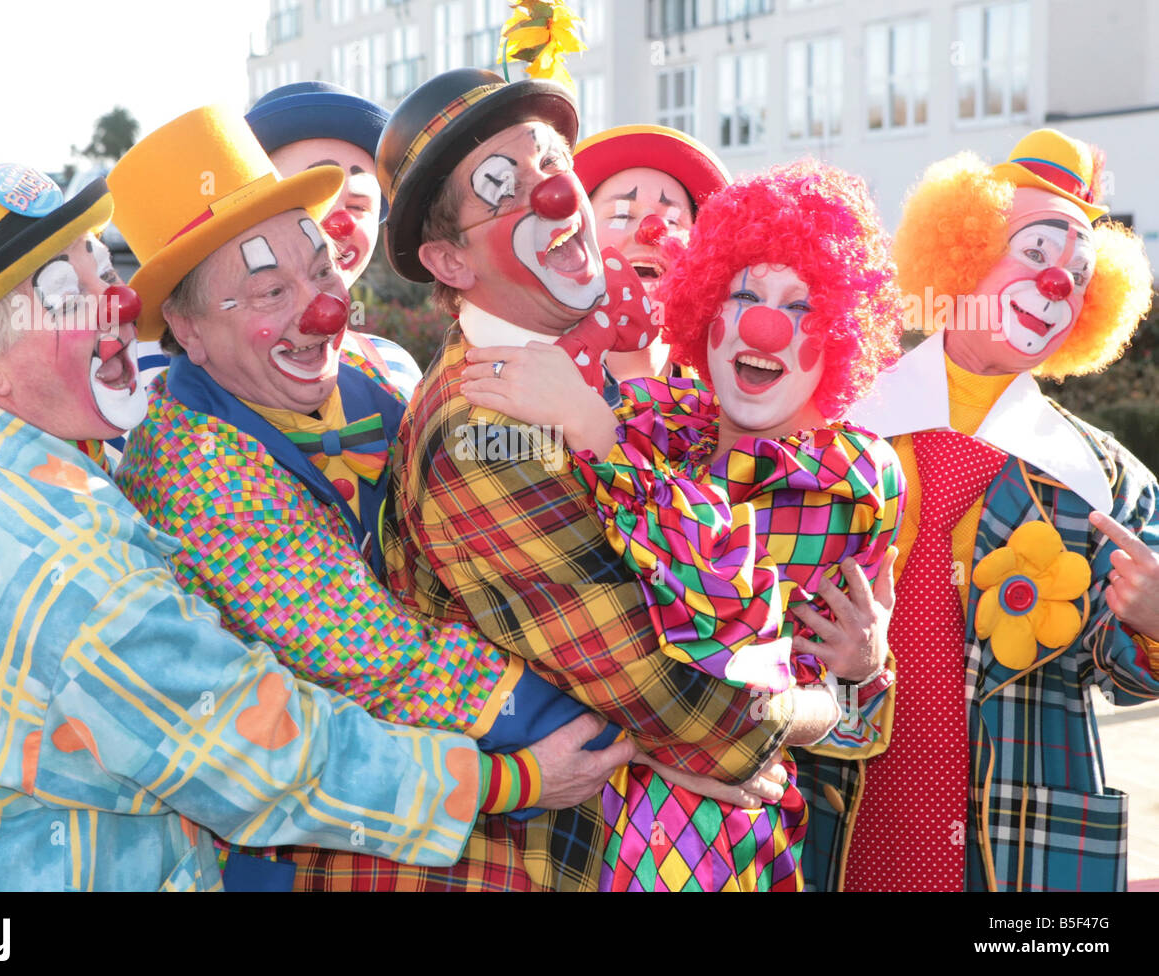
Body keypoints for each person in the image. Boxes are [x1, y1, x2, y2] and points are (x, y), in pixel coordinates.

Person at [0, 151, 613, 891]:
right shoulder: (74, 557)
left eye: (105, 273)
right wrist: (509, 778)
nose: (114, 307)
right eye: (65, 300)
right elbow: (259, 752)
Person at [298, 66, 881, 892]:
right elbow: (659, 689)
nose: (550, 196)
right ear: (447, 261)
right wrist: (826, 707)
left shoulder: (584, 389)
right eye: (502, 188)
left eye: (549, 162)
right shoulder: (487, 424)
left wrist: (850, 667)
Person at [108, 105, 632, 890]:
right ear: (186, 327)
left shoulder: (383, 371)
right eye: (266, 291)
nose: (319, 309)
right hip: (300, 838)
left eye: (320, 271)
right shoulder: (186, 463)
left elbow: (488, 492)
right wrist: (614, 728)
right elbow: (370, 653)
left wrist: (595, 435)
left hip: (465, 782)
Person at [463, 160, 906, 890]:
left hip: (706, 853)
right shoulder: (664, 422)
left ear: (843, 332)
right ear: (707, 306)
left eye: (802, 307)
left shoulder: (843, 473)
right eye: (745, 294)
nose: (766, 323)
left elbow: (718, 638)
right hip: (571, 831)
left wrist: (592, 429)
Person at [808, 128, 1159, 892]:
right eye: (1035, 253)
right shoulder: (832, 430)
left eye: (1079, 272)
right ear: (960, 251)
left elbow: (1125, 679)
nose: (1059, 284)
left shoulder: (1104, 477)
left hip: (1026, 853)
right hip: (843, 820)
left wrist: (1156, 620)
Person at [246, 81, 424, 399]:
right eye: (316, 204)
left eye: (358, 206)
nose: (340, 224)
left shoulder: (397, 372)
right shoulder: (155, 379)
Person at [572, 123, 730, 380]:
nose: (651, 231)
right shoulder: (535, 384)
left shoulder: (727, 399)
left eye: (672, 221)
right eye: (622, 215)